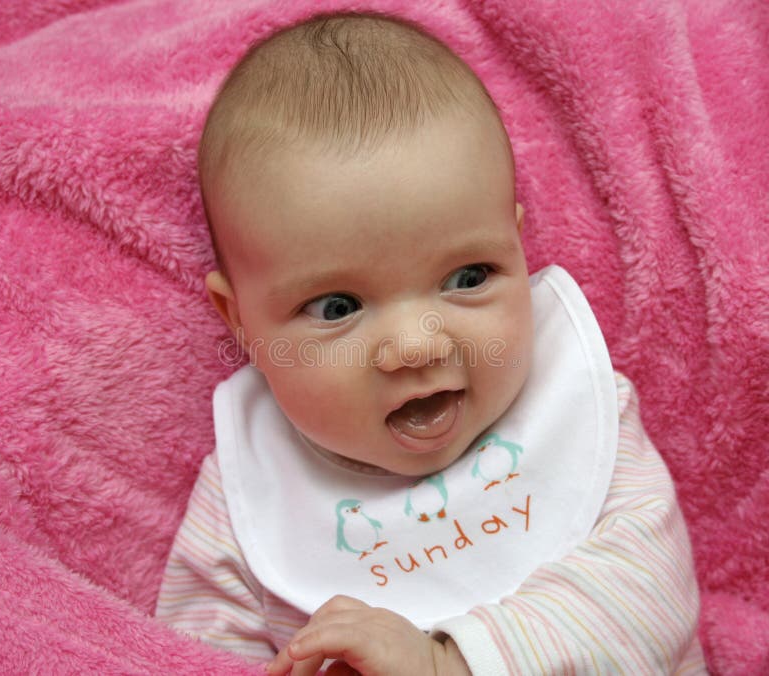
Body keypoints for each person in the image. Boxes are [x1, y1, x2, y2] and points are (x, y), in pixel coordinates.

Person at [156, 12, 706, 675]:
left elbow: (648, 594)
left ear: (517, 246)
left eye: (467, 278)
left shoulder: (575, 407)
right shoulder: (250, 494)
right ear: (240, 320)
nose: (416, 345)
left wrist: (451, 663)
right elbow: (187, 654)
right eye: (338, 307)